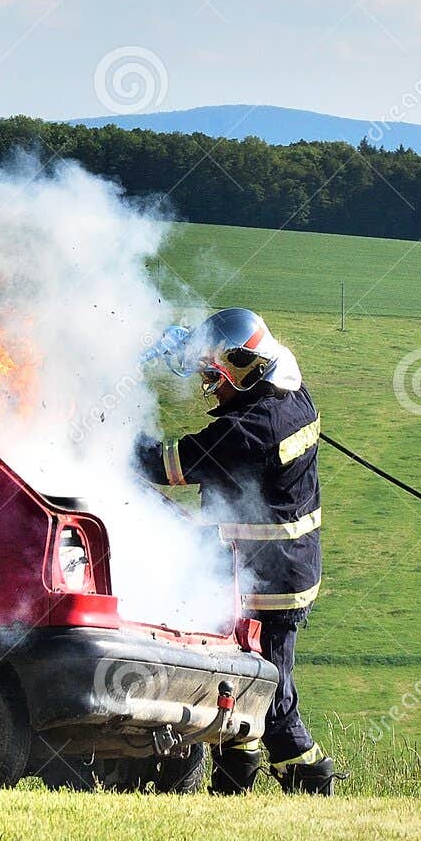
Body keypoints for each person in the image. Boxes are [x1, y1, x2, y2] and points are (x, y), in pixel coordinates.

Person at [135, 308, 336, 795]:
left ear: (245, 370)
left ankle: (308, 774)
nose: (210, 386)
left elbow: (168, 465)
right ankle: (232, 779)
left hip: (271, 580)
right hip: (274, 569)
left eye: (215, 377)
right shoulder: (287, 391)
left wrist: (110, 441)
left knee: (269, 687)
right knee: (238, 673)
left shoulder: (251, 429)